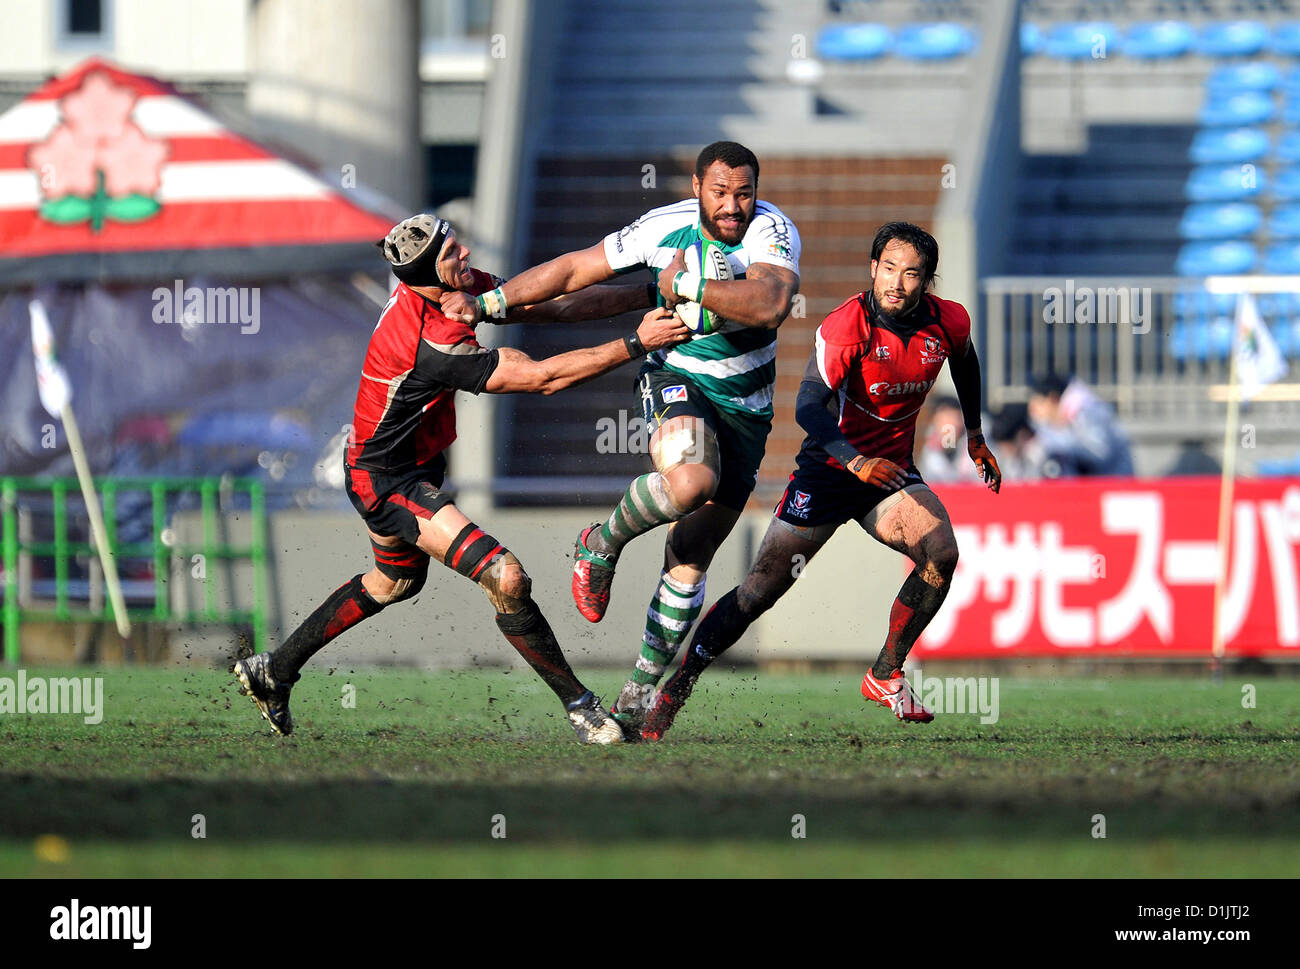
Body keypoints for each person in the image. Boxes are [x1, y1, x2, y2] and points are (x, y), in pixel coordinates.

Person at [233, 214, 688, 744]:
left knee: (394, 582)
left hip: (403, 466)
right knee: (506, 576)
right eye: (452, 252)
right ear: (428, 273)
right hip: (386, 480)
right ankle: (581, 709)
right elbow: (543, 379)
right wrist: (637, 342)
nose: (465, 253)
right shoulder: (431, 344)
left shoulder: (453, 287)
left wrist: (646, 291)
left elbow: (548, 307)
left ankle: (273, 671)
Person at [442, 141, 801, 734]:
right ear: (696, 188)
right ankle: (600, 545)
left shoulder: (772, 231)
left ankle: (637, 694)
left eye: (744, 193)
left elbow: (771, 303)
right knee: (690, 482)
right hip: (679, 376)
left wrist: (686, 285)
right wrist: (491, 301)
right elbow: (575, 270)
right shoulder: (664, 227)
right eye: (720, 192)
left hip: (748, 411)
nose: (734, 205)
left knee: (689, 559)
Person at [633, 222, 1002, 741]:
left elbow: (965, 362)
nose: (897, 282)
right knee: (760, 591)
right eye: (888, 269)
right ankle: (678, 685)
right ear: (873, 269)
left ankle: (885, 674)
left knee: (941, 553)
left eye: (911, 273)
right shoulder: (846, 326)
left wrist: (976, 434)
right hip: (829, 473)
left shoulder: (949, 321)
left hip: (890, 475)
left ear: (928, 281)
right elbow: (808, 405)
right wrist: (853, 461)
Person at [1026, 373, 1134, 477]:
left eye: (1037, 403)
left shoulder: (1086, 410)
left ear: (1052, 399)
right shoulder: (1063, 417)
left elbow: (1100, 452)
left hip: (1115, 483)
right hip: (1095, 484)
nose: (1033, 410)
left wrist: (1054, 444)